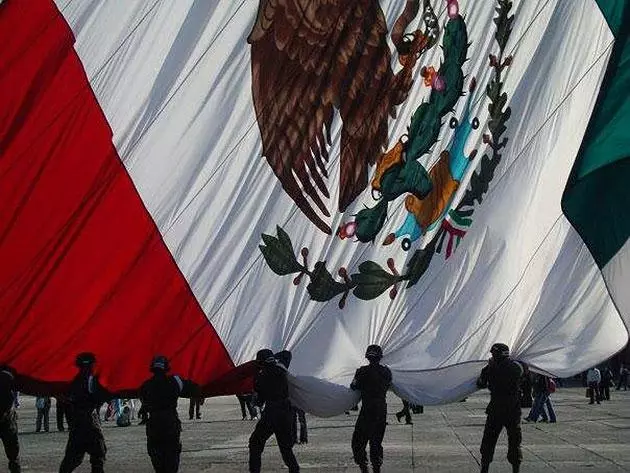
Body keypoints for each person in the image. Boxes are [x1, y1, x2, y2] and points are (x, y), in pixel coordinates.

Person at [140, 355, 198, 473]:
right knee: (171, 460)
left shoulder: (146, 386)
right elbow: (194, 388)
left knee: (158, 460)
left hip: (154, 424)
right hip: (170, 422)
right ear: (166, 368)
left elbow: (144, 403)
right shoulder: (175, 381)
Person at [248, 349, 299, 473]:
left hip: (271, 414)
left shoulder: (260, 377)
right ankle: (295, 470)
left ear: (260, 362)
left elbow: (260, 401)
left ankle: (255, 471)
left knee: (255, 444)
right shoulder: (282, 370)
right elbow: (287, 353)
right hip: (286, 413)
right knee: (286, 448)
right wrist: (273, 358)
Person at [59, 352, 111, 473]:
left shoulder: (74, 381)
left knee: (71, 458)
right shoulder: (91, 380)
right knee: (98, 456)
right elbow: (100, 396)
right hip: (90, 422)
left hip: (76, 423)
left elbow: (68, 399)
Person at [476, 343, 523, 473]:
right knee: (514, 441)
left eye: (493, 354)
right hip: (513, 410)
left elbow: (480, 383)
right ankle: (516, 468)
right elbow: (523, 372)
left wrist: (489, 368)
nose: (491, 356)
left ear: (497, 354)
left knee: (489, 441)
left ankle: (485, 469)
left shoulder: (490, 368)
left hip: (496, 409)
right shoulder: (516, 367)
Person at [350, 344, 392, 473]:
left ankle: (363, 466)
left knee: (358, 440)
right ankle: (376, 467)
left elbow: (353, 386)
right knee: (376, 440)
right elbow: (389, 383)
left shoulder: (362, 371)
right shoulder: (386, 371)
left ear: (367, 356)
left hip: (368, 408)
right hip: (381, 408)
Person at [0, 366, 21, 473]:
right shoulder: (7, 374)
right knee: (13, 456)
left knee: (13, 456)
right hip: (8, 420)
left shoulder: (6, 375)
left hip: (7, 420)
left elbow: (10, 398)